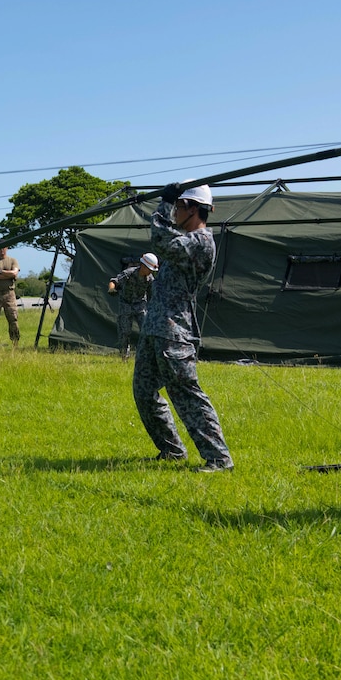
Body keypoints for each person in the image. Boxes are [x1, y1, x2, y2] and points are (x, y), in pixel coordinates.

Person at [133, 183, 234, 472]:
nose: (175, 212)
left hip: (174, 333)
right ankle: (172, 451)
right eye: (174, 207)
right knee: (143, 392)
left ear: (193, 209)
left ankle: (218, 458)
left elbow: (161, 241)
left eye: (179, 207)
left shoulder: (201, 242)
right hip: (155, 328)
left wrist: (163, 205)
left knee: (186, 394)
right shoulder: (186, 238)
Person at [109, 252, 158, 359]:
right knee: (124, 332)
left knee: (146, 330)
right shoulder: (129, 273)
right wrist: (111, 288)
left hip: (140, 305)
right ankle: (124, 357)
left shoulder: (149, 279)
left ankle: (147, 356)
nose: (150, 272)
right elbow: (114, 281)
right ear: (143, 266)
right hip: (125, 304)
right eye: (149, 269)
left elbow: (152, 294)